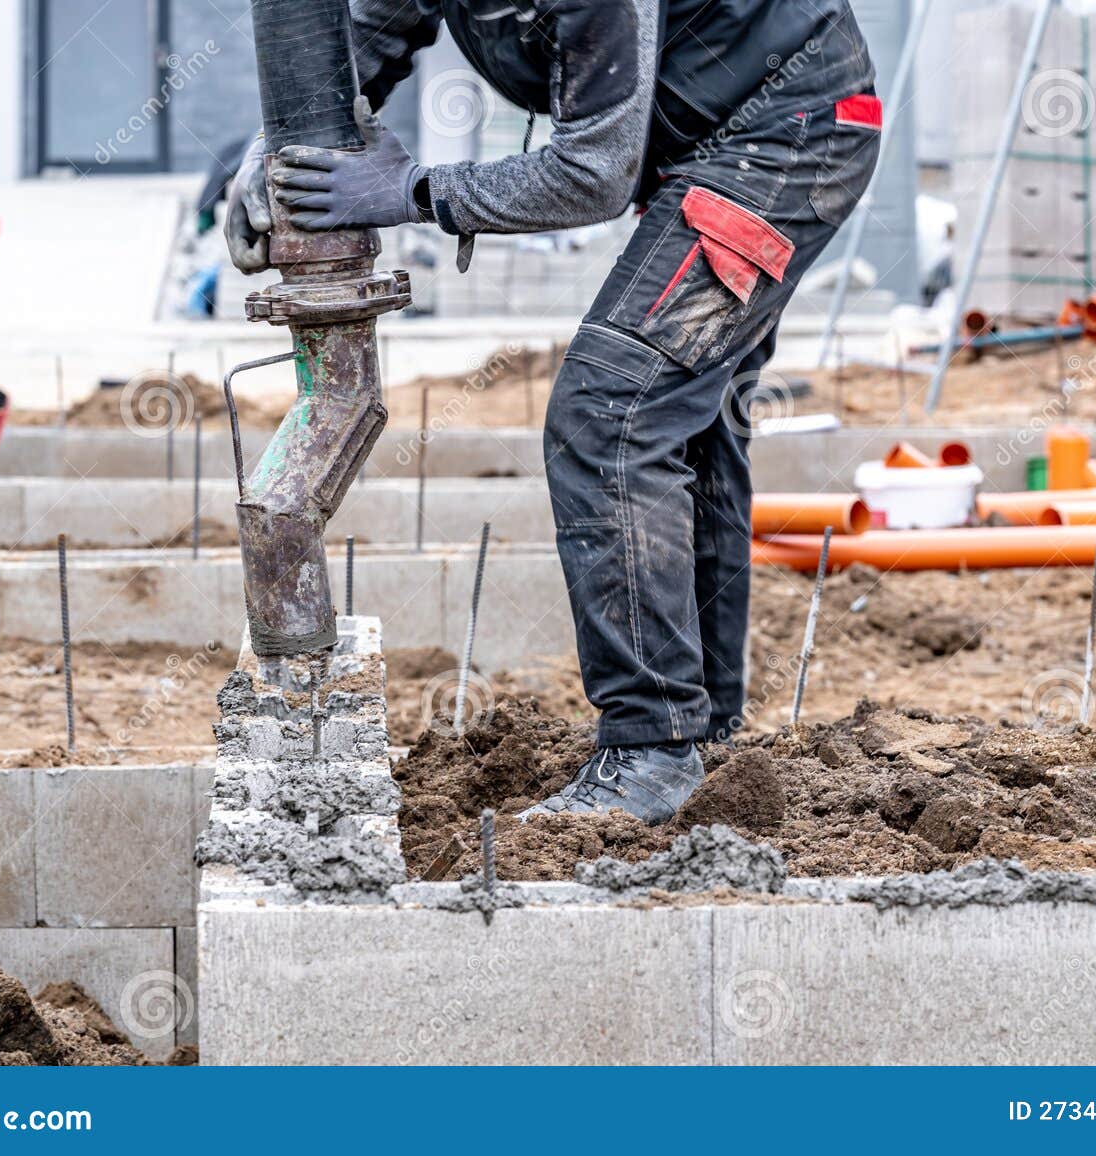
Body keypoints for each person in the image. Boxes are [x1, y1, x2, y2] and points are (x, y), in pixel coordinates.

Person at [228, 0, 881, 824]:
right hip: (691, 143)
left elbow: (591, 173)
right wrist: (279, 141)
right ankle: (701, 735)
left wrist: (409, 191)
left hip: (784, 135)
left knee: (610, 410)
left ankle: (650, 749)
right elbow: (378, 24)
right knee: (684, 420)